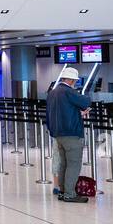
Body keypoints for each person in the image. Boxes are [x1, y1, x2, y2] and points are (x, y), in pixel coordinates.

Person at [46, 66, 93, 203]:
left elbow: (60, 112)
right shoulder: (68, 91)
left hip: (58, 134)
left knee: (63, 164)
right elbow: (85, 101)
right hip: (71, 134)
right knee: (73, 164)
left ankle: (62, 191)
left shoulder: (53, 92)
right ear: (72, 80)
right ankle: (70, 194)